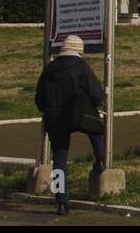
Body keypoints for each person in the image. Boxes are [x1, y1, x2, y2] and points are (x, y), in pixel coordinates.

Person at [34, 34, 105, 214]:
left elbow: (40, 100)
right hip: (77, 114)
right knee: (96, 128)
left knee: (59, 159)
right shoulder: (81, 66)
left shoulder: (49, 68)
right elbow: (96, 93)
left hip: (54, 118)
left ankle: (61, 201)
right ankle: (101, 157)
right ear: (79, 50)